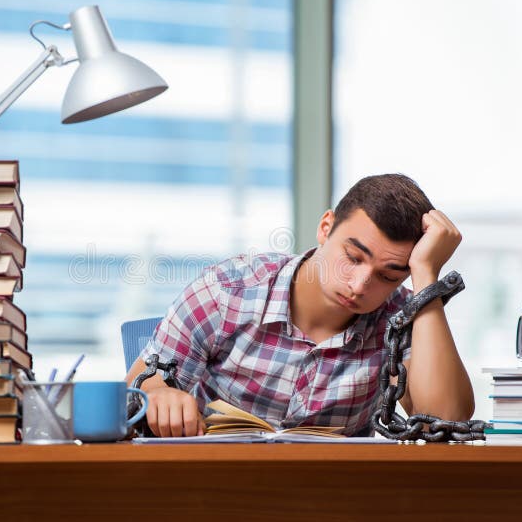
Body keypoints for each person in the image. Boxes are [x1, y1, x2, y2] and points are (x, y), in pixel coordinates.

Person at [125, 173, 475, 437]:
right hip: (214, 489)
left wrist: (426, 277)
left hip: (333, 497)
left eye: (387, 275)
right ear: (325, 227)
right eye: (353, 257)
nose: (359, 285)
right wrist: (159, 396)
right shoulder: (227, 291)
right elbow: (136, 391)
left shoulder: (401, 316)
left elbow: (443, 421)